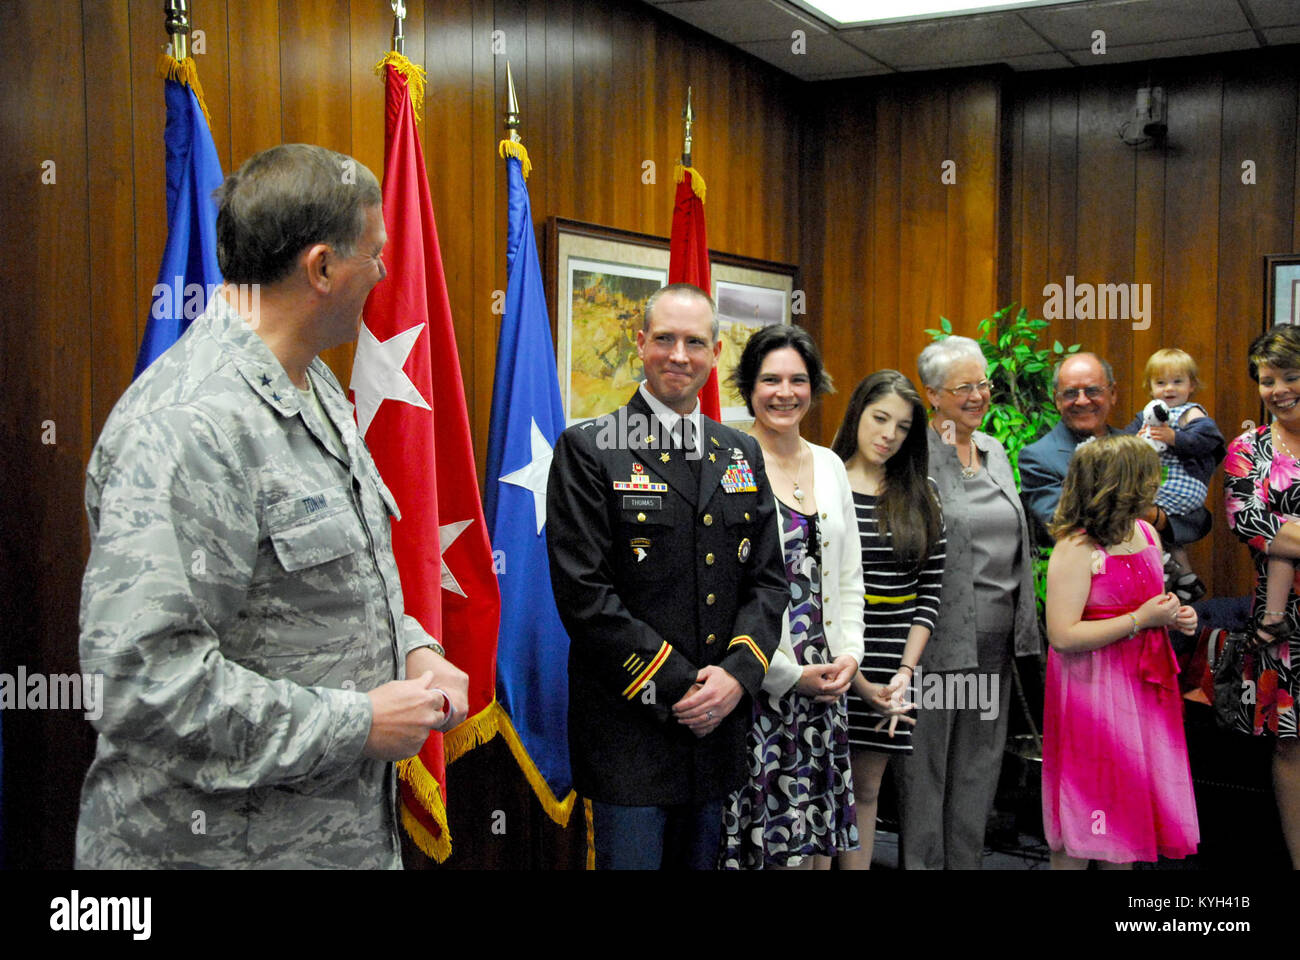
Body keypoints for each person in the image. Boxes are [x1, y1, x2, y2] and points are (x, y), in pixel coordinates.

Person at [76, 144, 469, 869]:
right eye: (374, 256)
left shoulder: (310, 382)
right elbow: (140, 686)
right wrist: (357, 724)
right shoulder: (189, 424)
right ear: (321, 268)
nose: (383, 275)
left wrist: (413, 646)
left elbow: (329, 584)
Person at [546, 283, 788, 870]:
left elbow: (768, 581)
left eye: (694, 342)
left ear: (716, 351)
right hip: (632, 733)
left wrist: (736, 677)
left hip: (716, 736)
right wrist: (682, 688)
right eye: (665, 339)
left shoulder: (739, 452)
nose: (679, 355)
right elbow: (585, 595)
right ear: (639, 343)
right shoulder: (590, 448)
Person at [720, 325, 864, 870]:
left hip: (828, 683)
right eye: (770, 380)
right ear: (748, 386)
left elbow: (849, 574)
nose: (785, 393)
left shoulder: (829, 464)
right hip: (758, 679)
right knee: (765, 843)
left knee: (814, 843)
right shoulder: (728, 462)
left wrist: (850, 656)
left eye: (798, 380)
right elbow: (726, 589)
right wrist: (784, 674)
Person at [898, 337, 1040, 870]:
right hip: (939, 638)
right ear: (932, 394)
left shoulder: (995, 451)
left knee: (979, 766)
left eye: (984, 383)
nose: (980, 394)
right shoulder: (914, 456)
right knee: (927, 767)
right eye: (965, 387)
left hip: (998, 640)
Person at [1042, 434, 1199, 868]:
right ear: (1122, 485)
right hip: (1094, 691)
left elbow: (1151, 602)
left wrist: (1175, 615)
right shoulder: (1075, 549)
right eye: (1148, 478)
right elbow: (1062, 634)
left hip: (1144, 687)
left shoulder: (1146, 532)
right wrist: (1138, 621)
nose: (1156, 487)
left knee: (1129, 811)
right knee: (1088, 806)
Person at [830, 370, 946, 870]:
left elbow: (929, 596)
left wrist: (903, 676)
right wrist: (853, 678)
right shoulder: (822, 478)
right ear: (857, 412)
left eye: (902, 427)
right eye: (880, 419)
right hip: (831, 655)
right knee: (820, 787)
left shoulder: (922, 492)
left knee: (868, 787)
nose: (888, 435)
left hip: (893, 661)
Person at [1223, 324, 1300, 868]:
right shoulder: (1247, 449)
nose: (1278, 389)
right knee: (1291, 743)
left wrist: (1288, 530)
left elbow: (1283, 528)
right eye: (1268, 380)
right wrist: (1284, 532)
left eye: (1291, 376)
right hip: (1283, 624)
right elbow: (1250, 523)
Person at [1019, 352, 1212, 550]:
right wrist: (1140, 510)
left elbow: (1197, 519)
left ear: (1113, 393)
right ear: (1056, 399)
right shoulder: (1038, 458)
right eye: (1070, 393)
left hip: (1154, 573)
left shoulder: (1141, 444)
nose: (1082, 401)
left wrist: (1156, 517)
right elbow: (1063, 525)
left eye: (1093, 391)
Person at [1123, 348, 1225, 599]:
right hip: (1160, 483)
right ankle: (1187, 577)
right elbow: (1121, 441)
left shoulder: (1191, 413)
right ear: (1150, 387)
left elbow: (1211, 440)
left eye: (1177, 382)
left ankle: (1162, 568)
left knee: (1135, 514)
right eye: (1161, 382)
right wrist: (1133, 442)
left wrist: (1175, 438)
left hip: (1182, 484)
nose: (1169, 389)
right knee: (1162, 529)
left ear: (1192, 385)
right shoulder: (1146, 414)